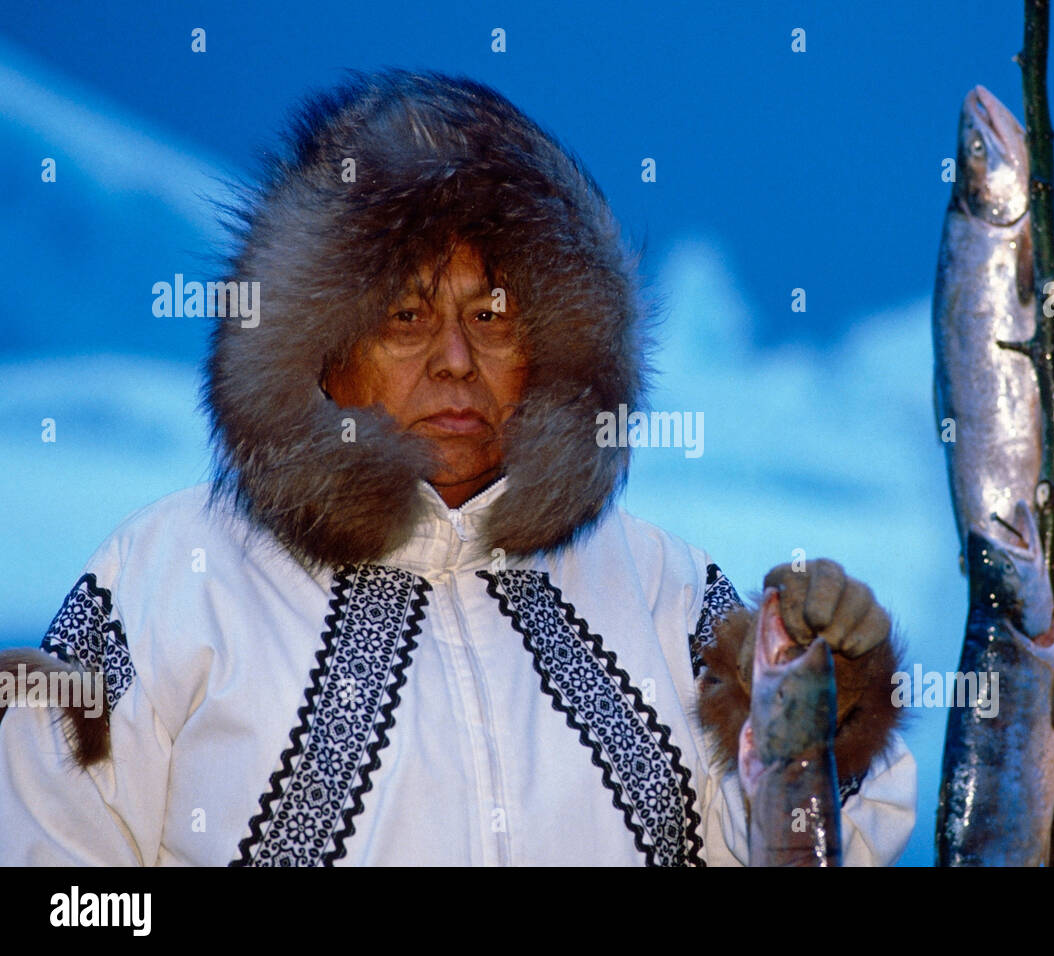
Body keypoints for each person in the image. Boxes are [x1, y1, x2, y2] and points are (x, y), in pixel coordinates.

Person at [0, 70, 915, 866]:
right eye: (405, 318)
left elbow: (802, 849)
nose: (453, 361)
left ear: (553, 349)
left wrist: (830, 695)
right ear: (322, 349)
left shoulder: (665, 592)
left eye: (492, 318)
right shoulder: (165, 581)